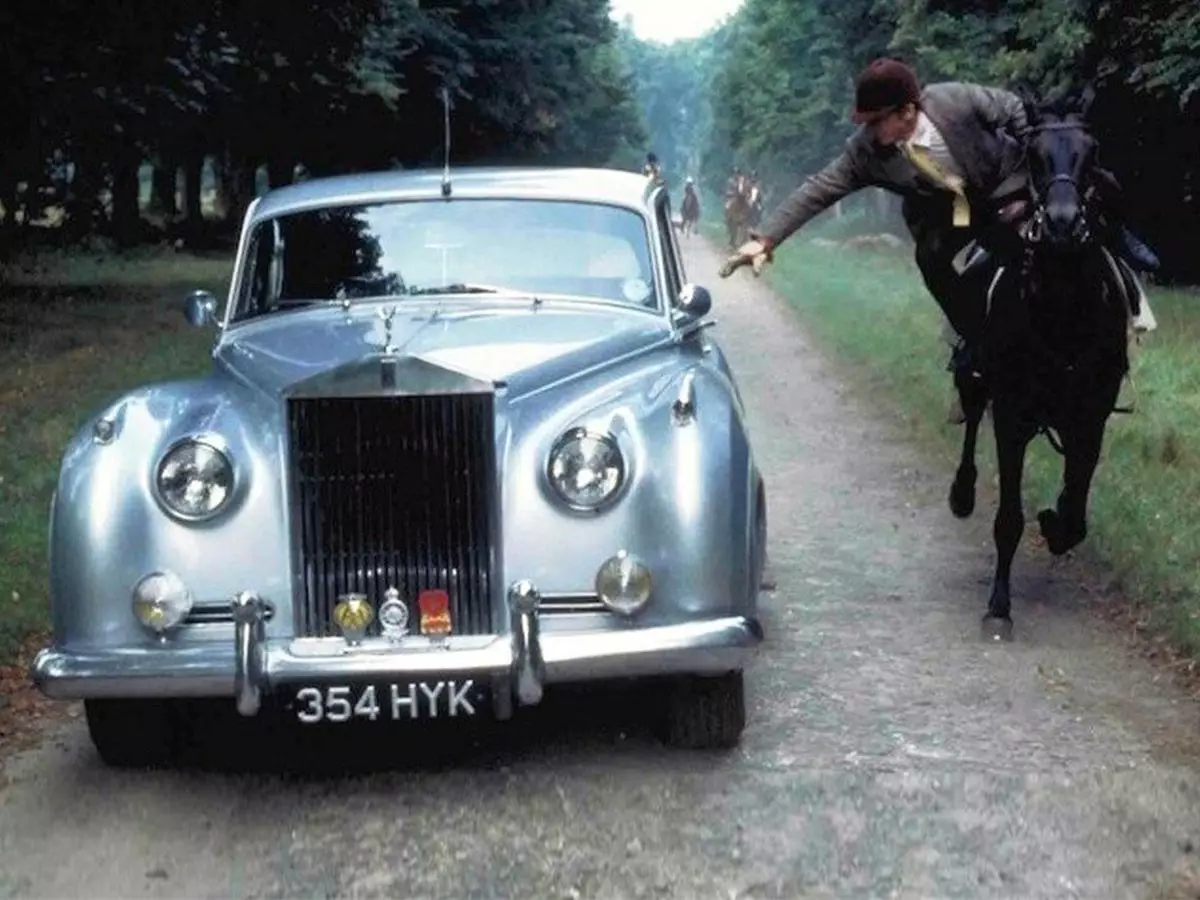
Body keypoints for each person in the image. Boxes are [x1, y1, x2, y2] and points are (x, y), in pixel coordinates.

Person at [721, 58, 1158, 420]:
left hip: (1008, 185)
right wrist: (766, 239)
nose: (872, 132)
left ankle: (1126, 258)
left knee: (1087, 197)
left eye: (878, 121)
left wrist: (1037, 172)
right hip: (952, 215)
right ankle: (974, 342)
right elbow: (820, 187)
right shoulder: (866, 152)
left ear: (908, 111)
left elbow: (1014, 111)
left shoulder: (956, 100)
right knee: (930, 256)